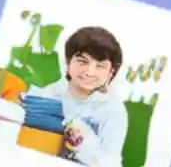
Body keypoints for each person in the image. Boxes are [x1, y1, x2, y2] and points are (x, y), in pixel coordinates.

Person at [26, 26, 128, 166]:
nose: (89, 72)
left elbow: (111, 162)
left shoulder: (113, 110)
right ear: (68, 62)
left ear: (111, 73)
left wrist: (82, 141)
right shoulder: (46, 95)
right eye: (82, 61)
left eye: (100, 66)